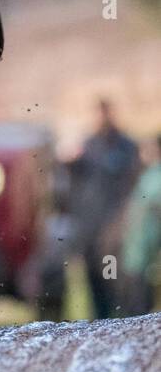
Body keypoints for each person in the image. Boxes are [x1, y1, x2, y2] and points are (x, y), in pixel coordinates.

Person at [64, 98, 141, 319]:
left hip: (112, 228)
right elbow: (74, 184)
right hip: (88, 227)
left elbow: (132, 181)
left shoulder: (125, 146)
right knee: (93, 278)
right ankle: (101, 318)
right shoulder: (88, 145)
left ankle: (115, 319)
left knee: (111, 276)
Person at [120, 133, 161, 315]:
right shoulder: (149, 174)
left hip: (148, 254)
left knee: (142, 311)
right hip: (137, 252)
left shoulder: (156, 176)